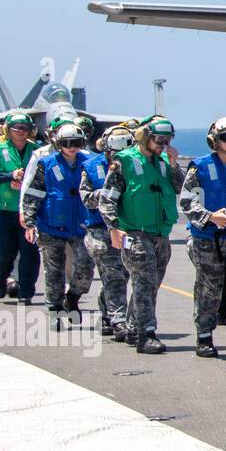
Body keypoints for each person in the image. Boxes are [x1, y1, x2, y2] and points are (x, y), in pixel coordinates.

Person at [99, 116, 184, 353]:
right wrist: (113, 227)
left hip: (160, 233)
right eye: (159, 139)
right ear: (146, 136)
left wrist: (174, 164)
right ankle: (146, 334)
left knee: (150, 284)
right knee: (144, 281)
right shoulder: (124, 161)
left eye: (167, 140)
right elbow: (107, 198)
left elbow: (182, 188)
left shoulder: (165, 162)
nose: (163, 144)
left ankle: (134, 327)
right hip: (134, 232)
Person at [180, 117, 226, 358]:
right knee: (208, 288)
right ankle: (204, 336)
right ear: (214, 140)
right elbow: (187, 201)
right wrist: (211, 217)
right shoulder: (199, 167)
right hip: (207, 237)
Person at [20, 122, 95, 322]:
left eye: (76, 142)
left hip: (80, 225)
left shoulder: (89, 163)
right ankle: (54, 310)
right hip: (51, 225)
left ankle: (72, 298)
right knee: (53, 270)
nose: (72, 147)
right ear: (58, 143)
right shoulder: (47, 163)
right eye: (67, 142)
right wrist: (29, 221)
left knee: (85, 267)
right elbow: (33, 193)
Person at [80, 124, 134, 341]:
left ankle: (106, 314)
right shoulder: (91, 167)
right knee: (113, 276)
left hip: (128, 229)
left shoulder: (135, 164)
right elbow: (86, 198)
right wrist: (109, 193)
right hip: (100, 230)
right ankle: (119, 320)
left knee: (123, 275)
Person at [0, 112, 41, 304]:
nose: (21, 132)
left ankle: (26, 292)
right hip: (4, 208)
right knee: (5, 252)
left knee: (30, 252)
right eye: (17, 128)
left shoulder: (38, 151)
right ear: (8, 130)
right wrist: (10, 176)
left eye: (25, 128)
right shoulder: (0, 149)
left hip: (30, 211)